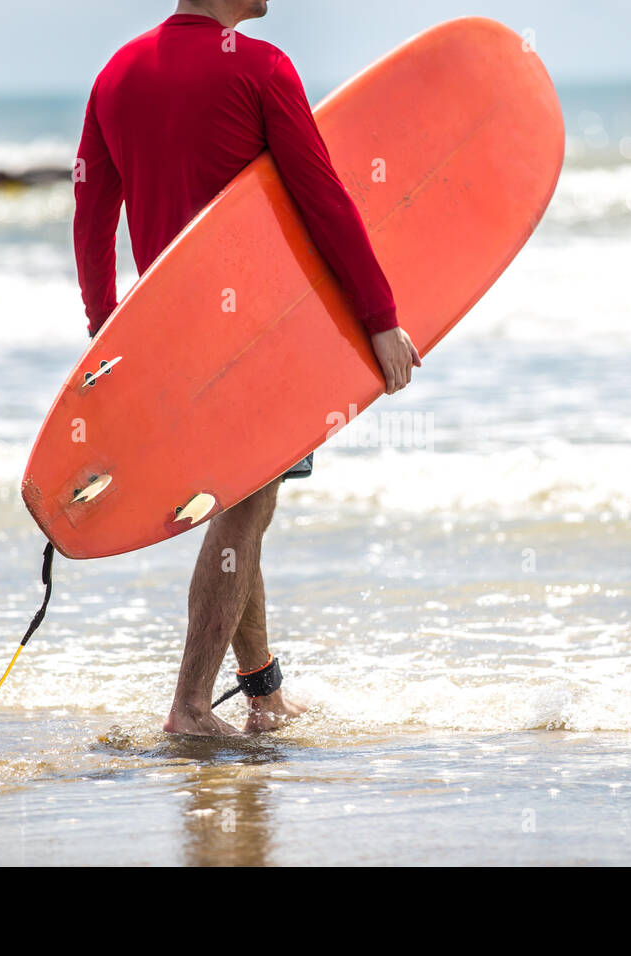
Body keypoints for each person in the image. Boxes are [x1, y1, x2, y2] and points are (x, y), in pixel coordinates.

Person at [72, 0, 420, 735]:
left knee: (239, 502)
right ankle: (190, 708)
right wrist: (381, 317)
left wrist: (105, 335)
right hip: (254, 340)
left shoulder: (115, 75)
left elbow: (92, 214)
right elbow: (321, 198)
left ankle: (262, 696)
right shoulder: (262, 69)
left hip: (166, 341)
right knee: (247, 508)